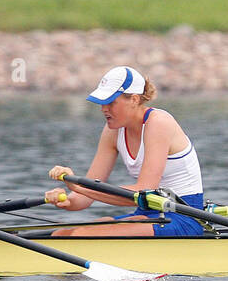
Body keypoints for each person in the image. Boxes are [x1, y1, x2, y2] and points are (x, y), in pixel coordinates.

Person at [44, 66, 206, 236]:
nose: (103, 108)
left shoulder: (159, 123)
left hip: (183, 218)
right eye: (102, 102)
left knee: (80, 235)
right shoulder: (112, 131)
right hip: (148, 214)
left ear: (134, 100)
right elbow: (83, 199)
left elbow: (144, 190)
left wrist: (78, 187)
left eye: (111, 102)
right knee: (61, 234)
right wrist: (66, 199)